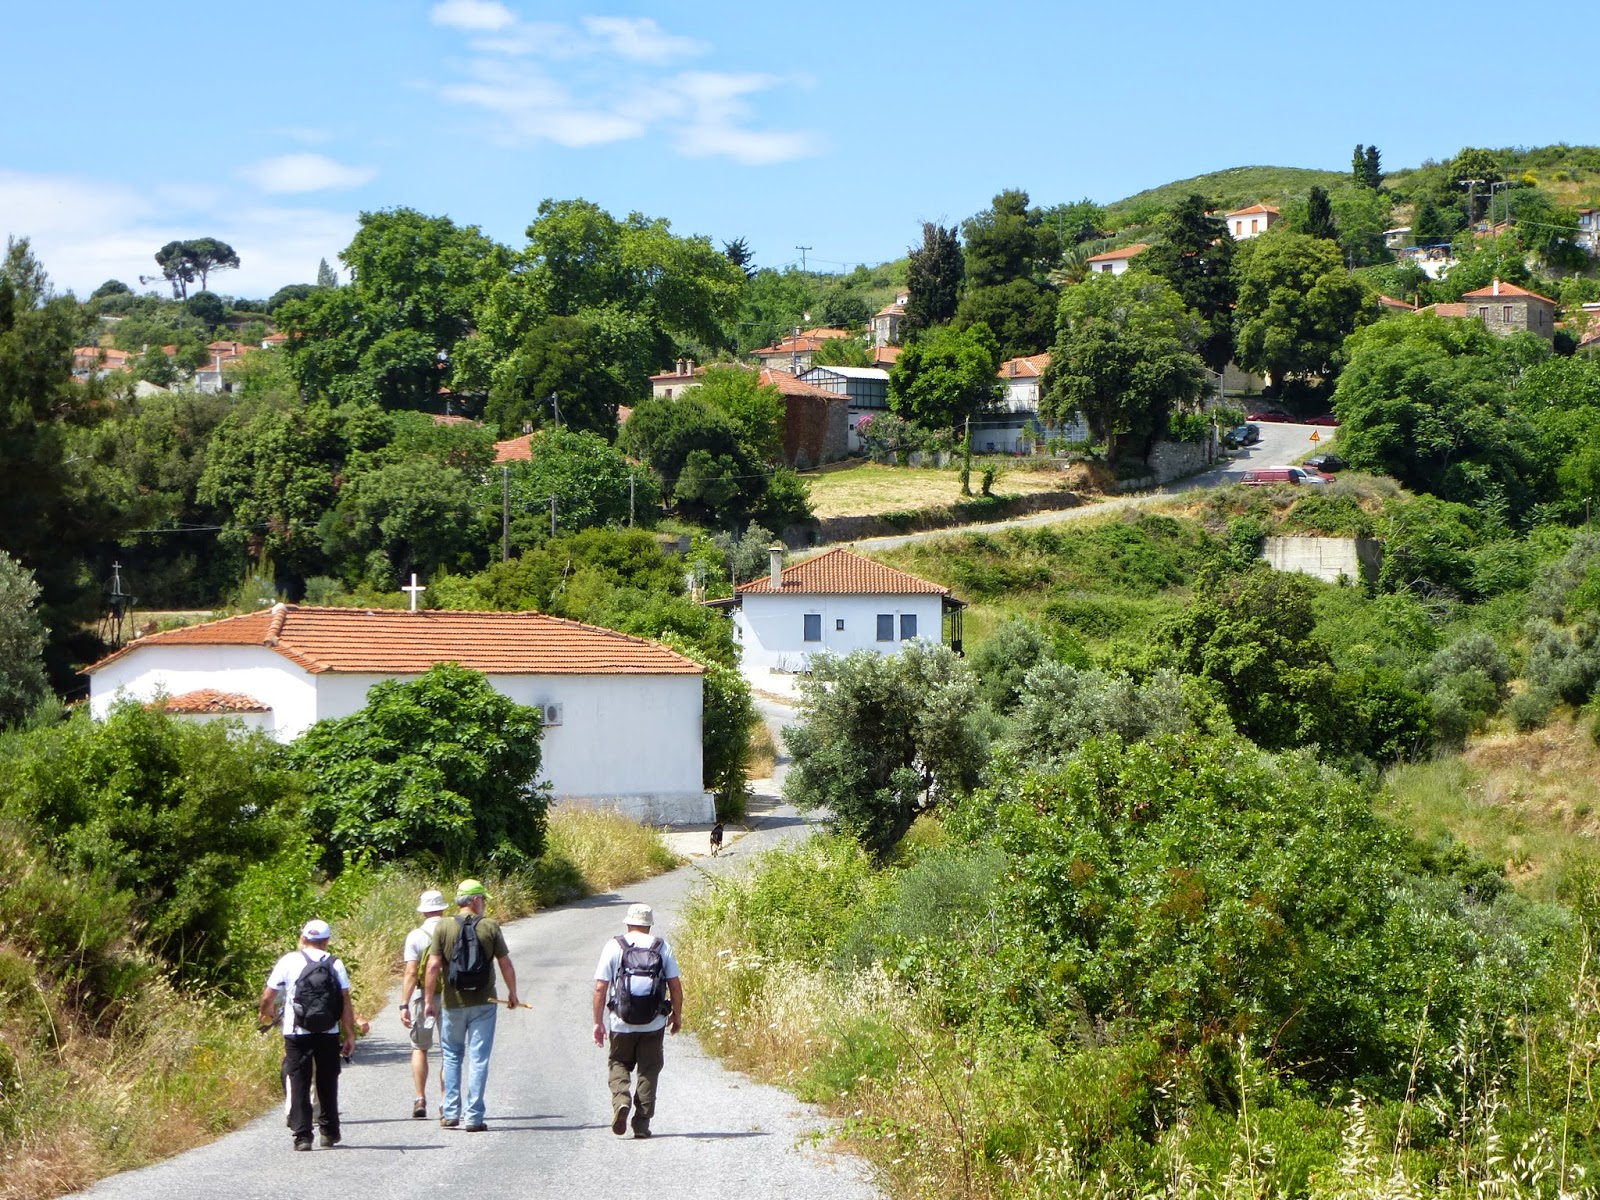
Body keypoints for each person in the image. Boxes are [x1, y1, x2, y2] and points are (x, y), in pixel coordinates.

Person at [424, 879, 518, 1132]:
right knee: (479, 1058)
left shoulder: (443, 927)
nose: (484, 903)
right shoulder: (490, 926)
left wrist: (429, 1000)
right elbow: (505, 963)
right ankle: (474, 1117)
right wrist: (512, 993)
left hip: (452, 1003)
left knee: (452, 1055)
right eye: (483, 899)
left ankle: (450, 1112)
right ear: (475, 900)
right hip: (485, 1003)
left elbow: (433, 966)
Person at [258, 919, 356, 1151]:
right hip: (328, 1031)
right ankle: (329, 1131)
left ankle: (302, 1136)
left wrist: (265, 1014)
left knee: (299, 1081)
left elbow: (268, 996)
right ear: (327, 941)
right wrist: (349, 1034)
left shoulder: (288, 961)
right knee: (327, 1080)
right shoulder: (335, 963)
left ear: (303, 938)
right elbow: (345, 1000)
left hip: (296, 1031)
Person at [591, 902, 683, 1139]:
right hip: (653, 1022)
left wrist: (598, 1022)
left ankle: (622, 1100)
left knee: (619, 1063)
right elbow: (675, 986)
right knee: (649, 1069)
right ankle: (641, 1124)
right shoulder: (661, 947)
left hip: (621, 1022)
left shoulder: (614, 946)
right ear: (649, 925)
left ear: (628, 923)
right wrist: (677, 1015)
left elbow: (601, 987)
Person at [398, 888, 447, 1119]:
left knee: (420, 1047)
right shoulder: (452, 930)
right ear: (443, 909)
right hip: (450, 997)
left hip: (424, 998)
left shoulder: (416, 936)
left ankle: (420, 1098)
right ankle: (446, 1101)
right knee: (450, 1051)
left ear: (423, 911)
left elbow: (410, 972)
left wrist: (404, 1004)